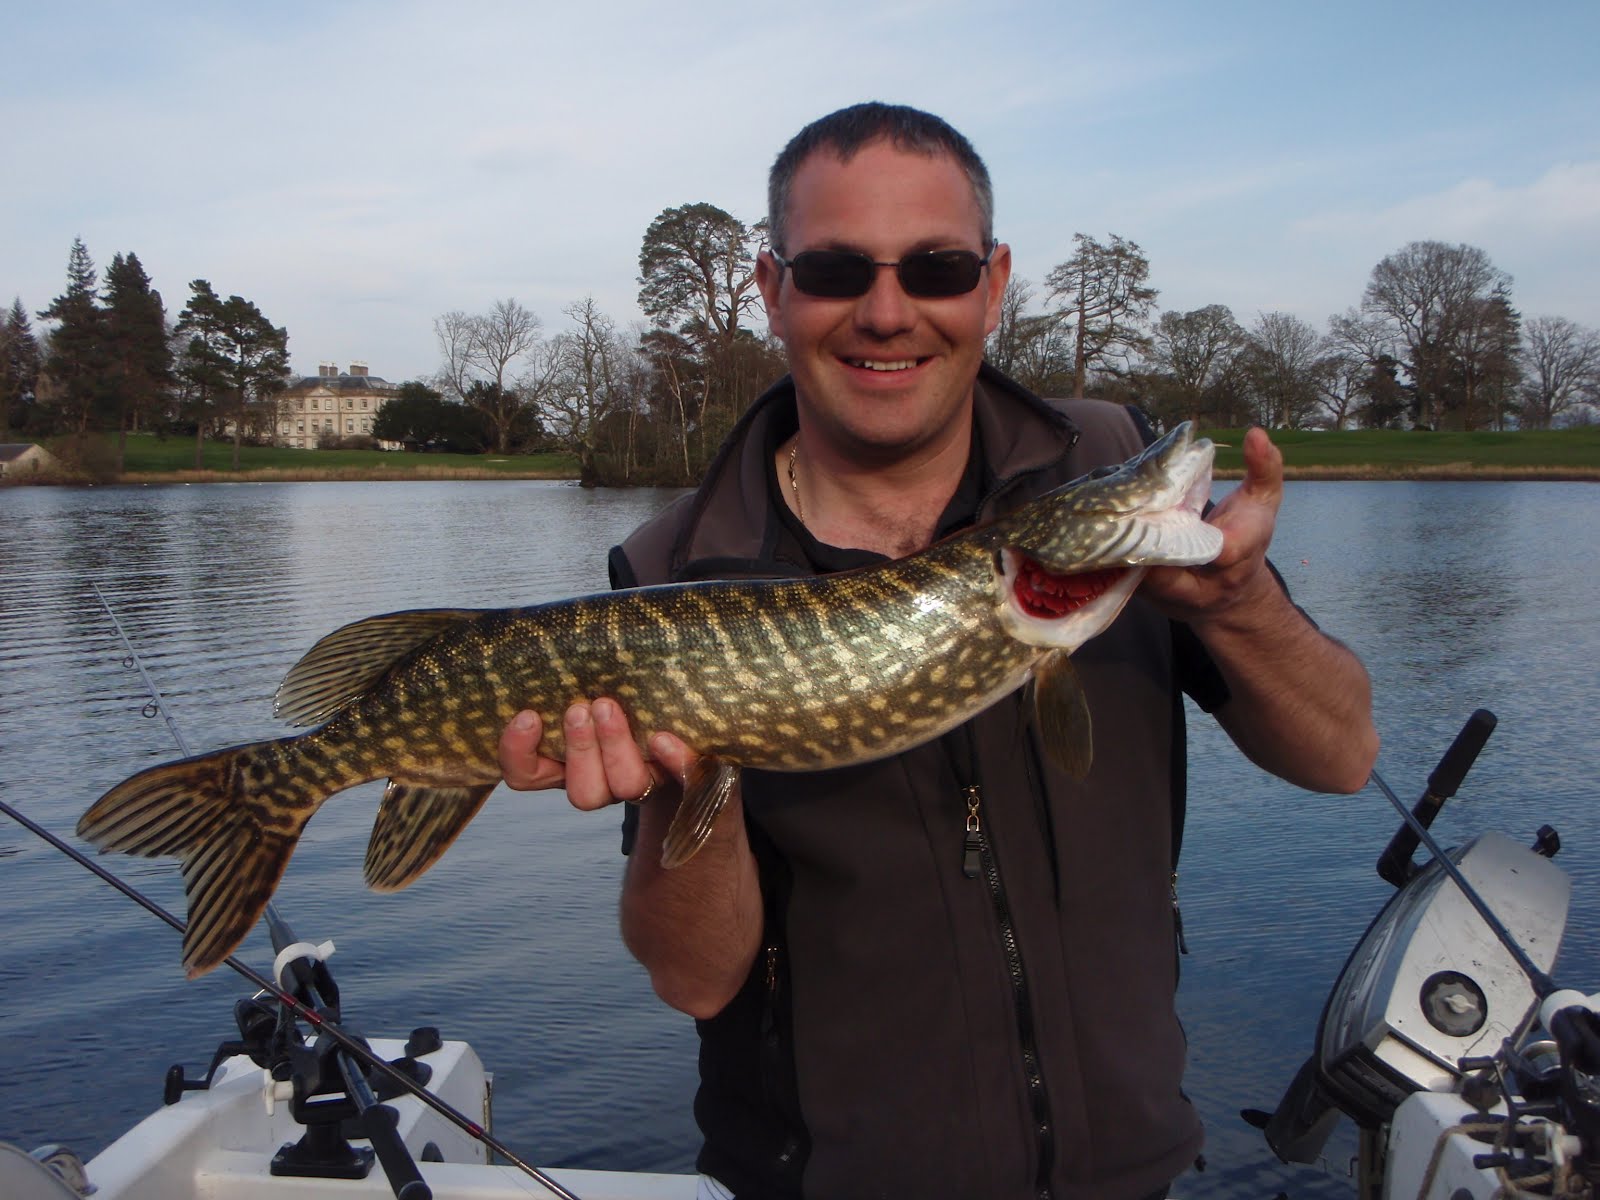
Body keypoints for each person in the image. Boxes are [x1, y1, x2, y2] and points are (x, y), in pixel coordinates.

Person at [499, 102, 1378, 1200]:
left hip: (1133, 1175)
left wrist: (1238, 605)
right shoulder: (676, 568)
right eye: (831, 269)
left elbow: (1343, 756)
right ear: (773, 293)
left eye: (936, 267)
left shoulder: (1099, 459)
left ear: (992, 283)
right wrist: (683, 790)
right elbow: (693, 977)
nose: (884, 312)